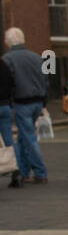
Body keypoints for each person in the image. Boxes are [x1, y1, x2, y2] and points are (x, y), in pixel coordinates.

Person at [2, 27, 48, 184]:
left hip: (22, 103)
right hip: (37, 101)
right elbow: (45, 80)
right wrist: (44, 102)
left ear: (8, 42)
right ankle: (23, 170)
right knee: (23, 137)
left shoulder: (8, 59)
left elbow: (9, 83)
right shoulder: (37, 57)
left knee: (28, 137)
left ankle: (40, 172)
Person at [0, 51, 19, 188]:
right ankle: (15, 169)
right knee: (9, 140)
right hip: (5, 106)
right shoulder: (4, 65)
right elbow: (12, 83)